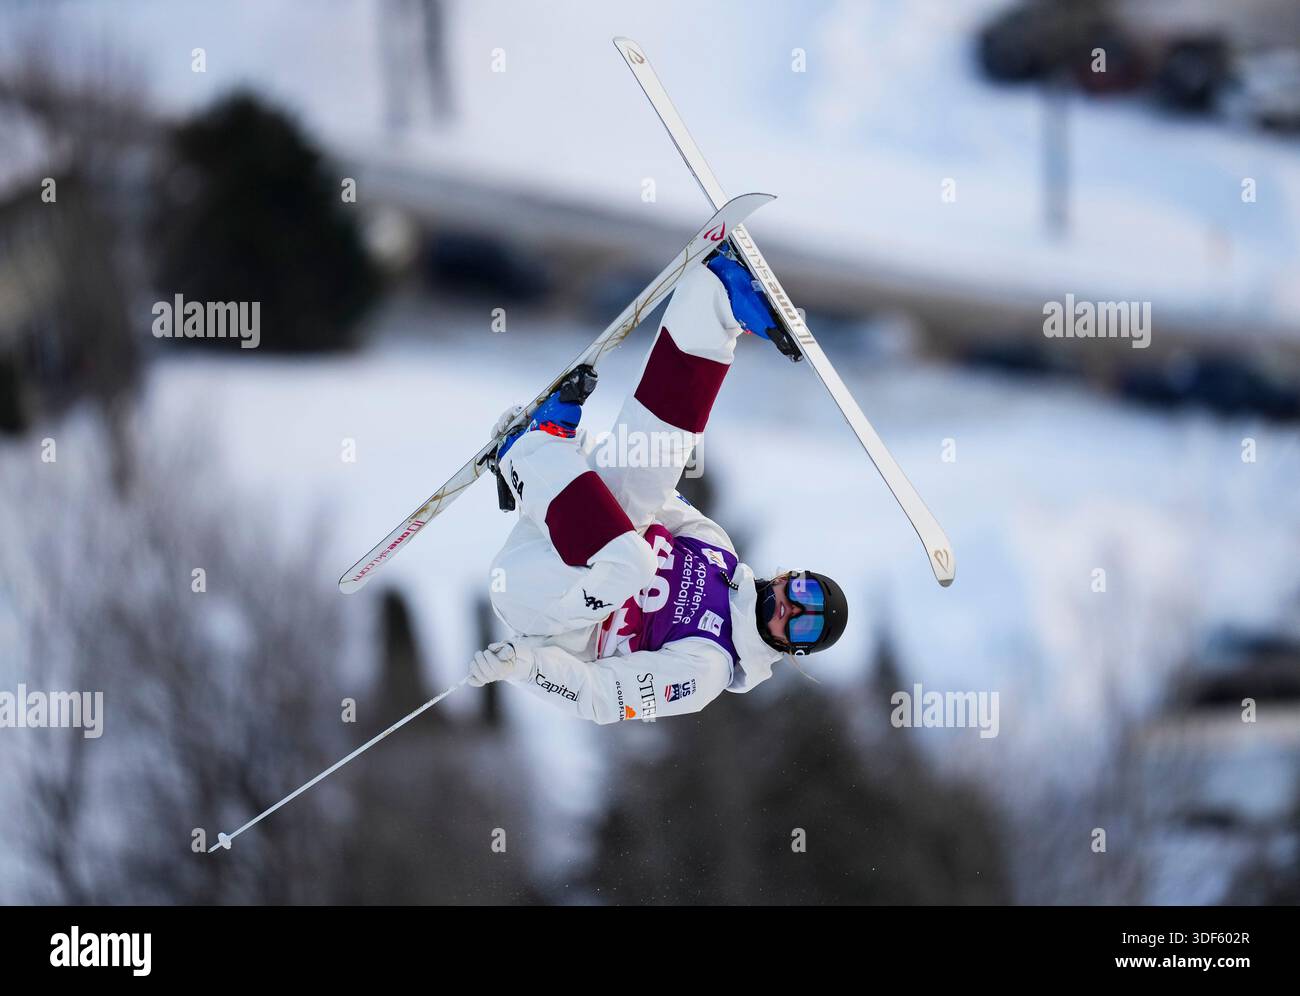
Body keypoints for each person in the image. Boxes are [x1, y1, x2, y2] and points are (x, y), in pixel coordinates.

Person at [468, 243, 848, 724]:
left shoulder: (707, 670)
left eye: (805, 624)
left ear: (794, 650)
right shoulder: (717, 551)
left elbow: (601, 698)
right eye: (807, 594)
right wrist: (573, 455)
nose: (793, 607)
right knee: (650, 479)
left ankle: (525, 450)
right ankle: (713, 305)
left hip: (537, 608)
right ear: (795, 575)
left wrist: (525, 667)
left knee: (633, 560)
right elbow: (633, 485)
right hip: (557, 544)